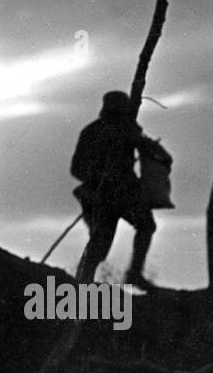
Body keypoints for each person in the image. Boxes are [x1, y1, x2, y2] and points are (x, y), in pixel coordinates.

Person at [70, 90, 170, 288]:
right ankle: (82, 281)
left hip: (126, 193)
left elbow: (157, 154)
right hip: (100, 196)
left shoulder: (128, 130)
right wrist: (98, 179)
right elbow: (76, 169)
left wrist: (142, 142)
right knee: (100, 243)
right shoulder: (93, 132)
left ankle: (133, 274)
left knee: (145, 226)